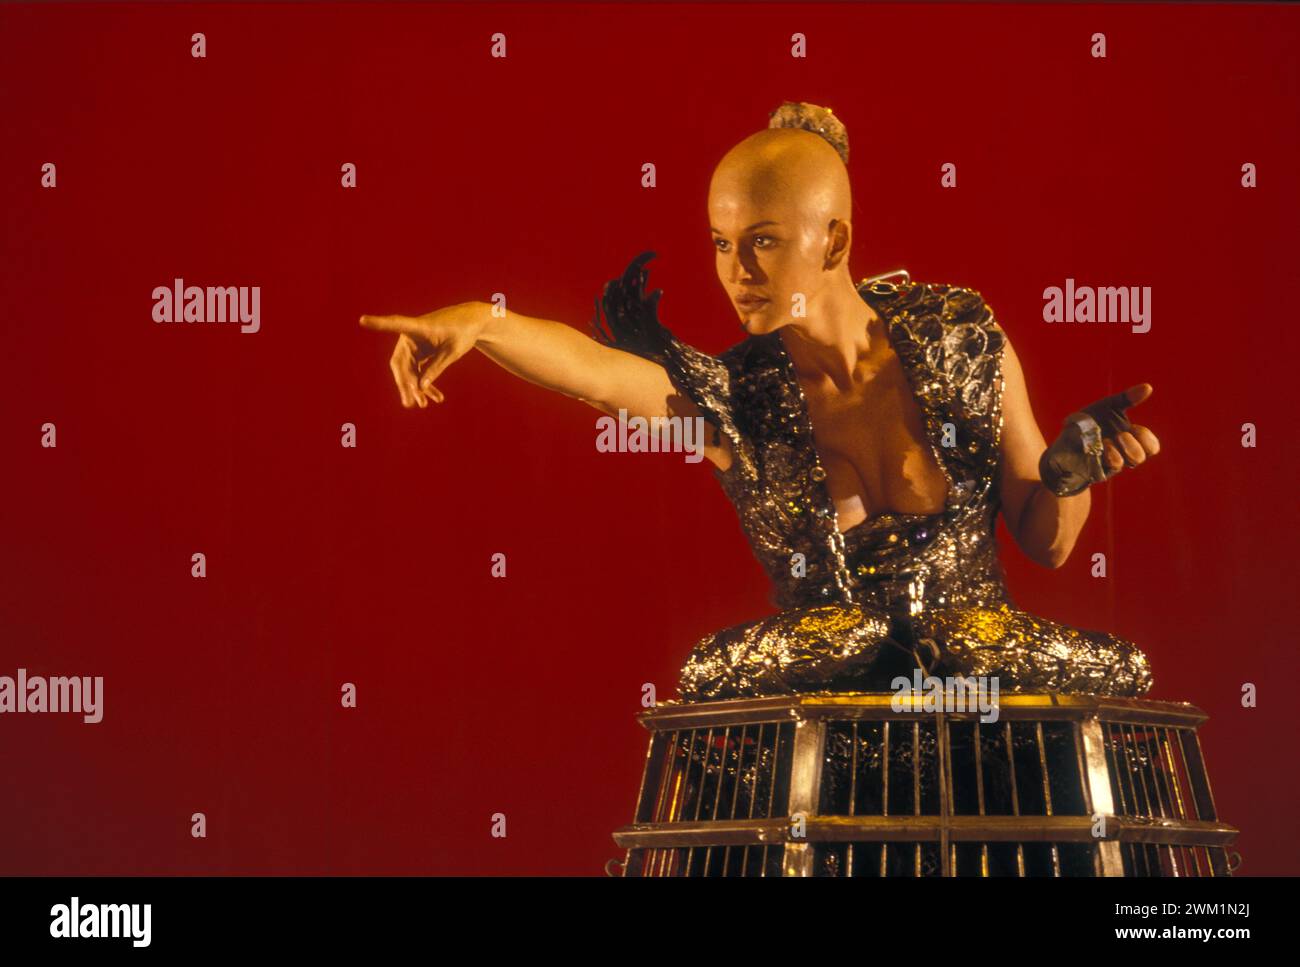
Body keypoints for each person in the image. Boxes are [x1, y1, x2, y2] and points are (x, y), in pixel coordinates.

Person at [359, 101, 1160, 703]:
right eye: (720, 242)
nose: (735, 269)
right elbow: (596, 371)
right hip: (823, 699)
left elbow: (1047, 543)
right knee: (735, 663)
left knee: (1115, 667)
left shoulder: (960, 334)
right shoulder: (739, 398)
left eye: (763, 241)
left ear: (834, 242)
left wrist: (1065, 472)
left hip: (980, 689)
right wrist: (480, 320)